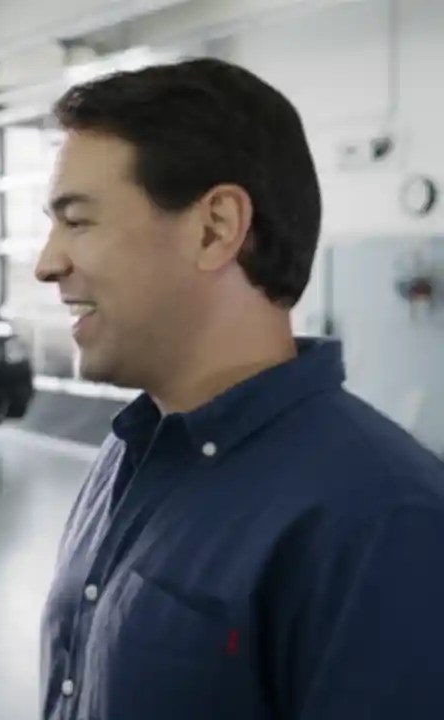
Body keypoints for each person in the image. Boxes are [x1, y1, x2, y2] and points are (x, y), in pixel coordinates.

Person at [34, 57, 444, 719]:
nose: (46, 262)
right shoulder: (129, 455)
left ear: (215, 227)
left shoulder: (382, 519)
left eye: (78, 221)